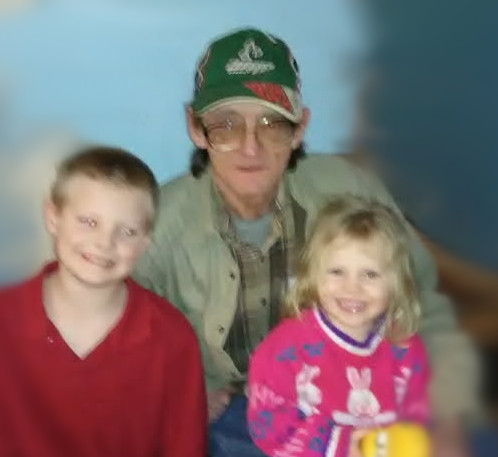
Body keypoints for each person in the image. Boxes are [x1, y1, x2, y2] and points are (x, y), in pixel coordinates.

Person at [133, 27, 479, 456]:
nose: (250, 147)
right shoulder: (155, 223)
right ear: (196, 128)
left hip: (351, 399)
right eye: (226, 125)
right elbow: (110, 331)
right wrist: (184, 393)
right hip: (229, 416)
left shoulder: (351, 192)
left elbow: (425, 301)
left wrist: (447, 413)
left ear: (300, 129)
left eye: (272, 124)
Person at [0, 146, 207, 457]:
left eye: (127, 231)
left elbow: (185, 445)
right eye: (88, 221)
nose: (104, 243)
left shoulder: (172, 338)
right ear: (53, 217)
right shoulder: (6, 319)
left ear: (146, 242)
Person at [247, 194, 430, 457]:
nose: (352, 288)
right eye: (337, 272)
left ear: (396, 282)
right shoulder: (285, 348)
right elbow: (267, 427)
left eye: (370, 274)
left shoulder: (405, 348)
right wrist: (341, 444)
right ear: (312, 275)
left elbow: (419, 418)